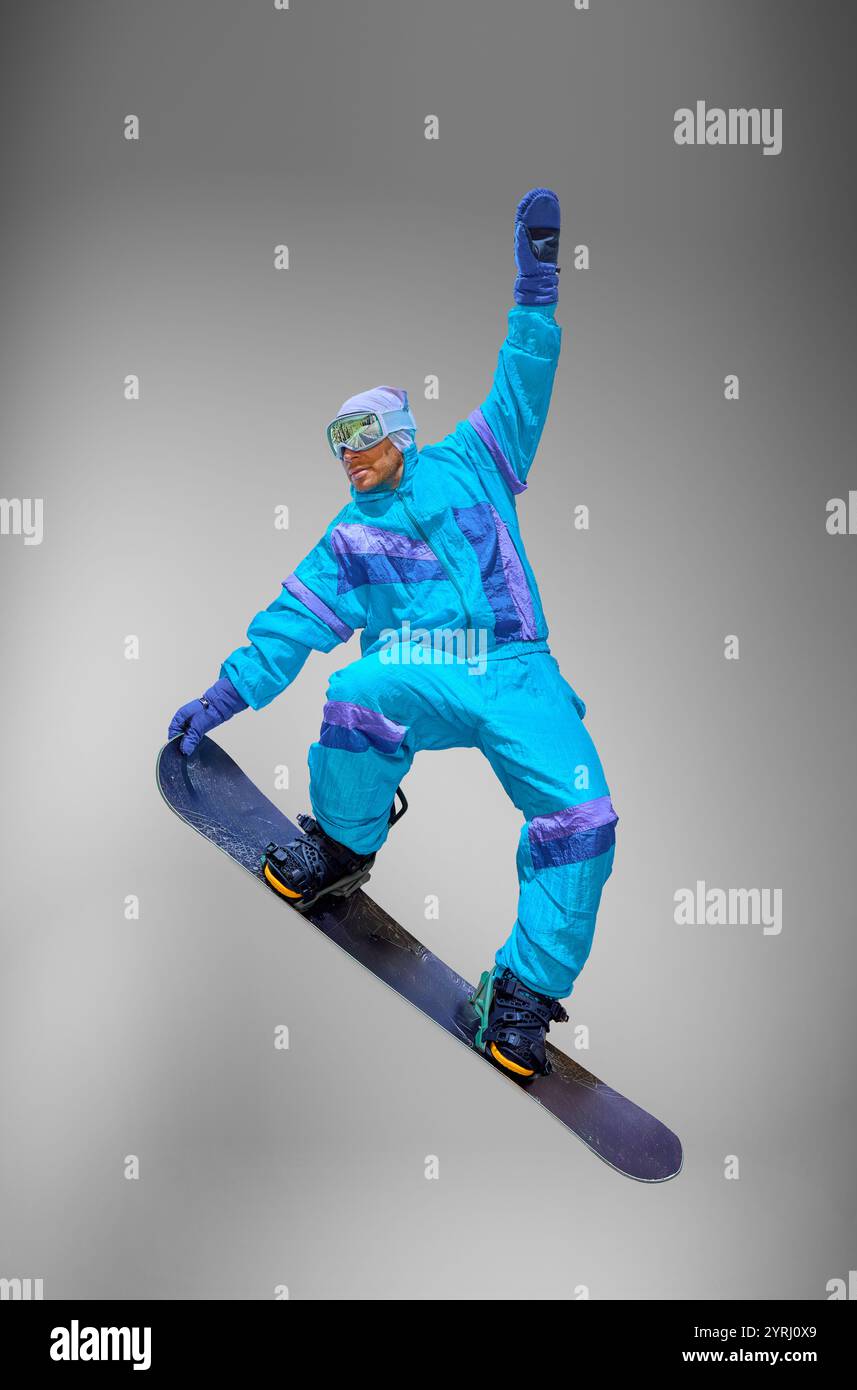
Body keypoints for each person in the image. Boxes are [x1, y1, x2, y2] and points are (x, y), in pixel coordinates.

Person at [168, 188, 617, 1081]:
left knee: (586, 818)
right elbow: (291, 622)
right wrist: (226, 693)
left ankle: (520, 997)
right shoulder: (349, 535)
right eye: (336, 441)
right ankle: (341, 846)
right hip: (428, 666)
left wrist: (536, 292)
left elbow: (521, 385)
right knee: (356, 692)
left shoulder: (477, 459)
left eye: (360, 433)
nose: (348, 451)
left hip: (520, 669)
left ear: (399, 433)